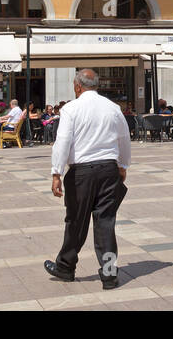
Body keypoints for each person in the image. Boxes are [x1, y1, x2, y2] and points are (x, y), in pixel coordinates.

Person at [45, 69, 131, 291]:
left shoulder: (71, 109)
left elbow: (62, 141)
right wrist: (122, 165)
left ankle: (65, 266)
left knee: (76, 220)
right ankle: (110, 274)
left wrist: (57, 173)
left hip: (82, 172)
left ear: (77, 86)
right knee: (106, 222)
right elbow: (124, 139)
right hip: (108, 169)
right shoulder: (113, 108)